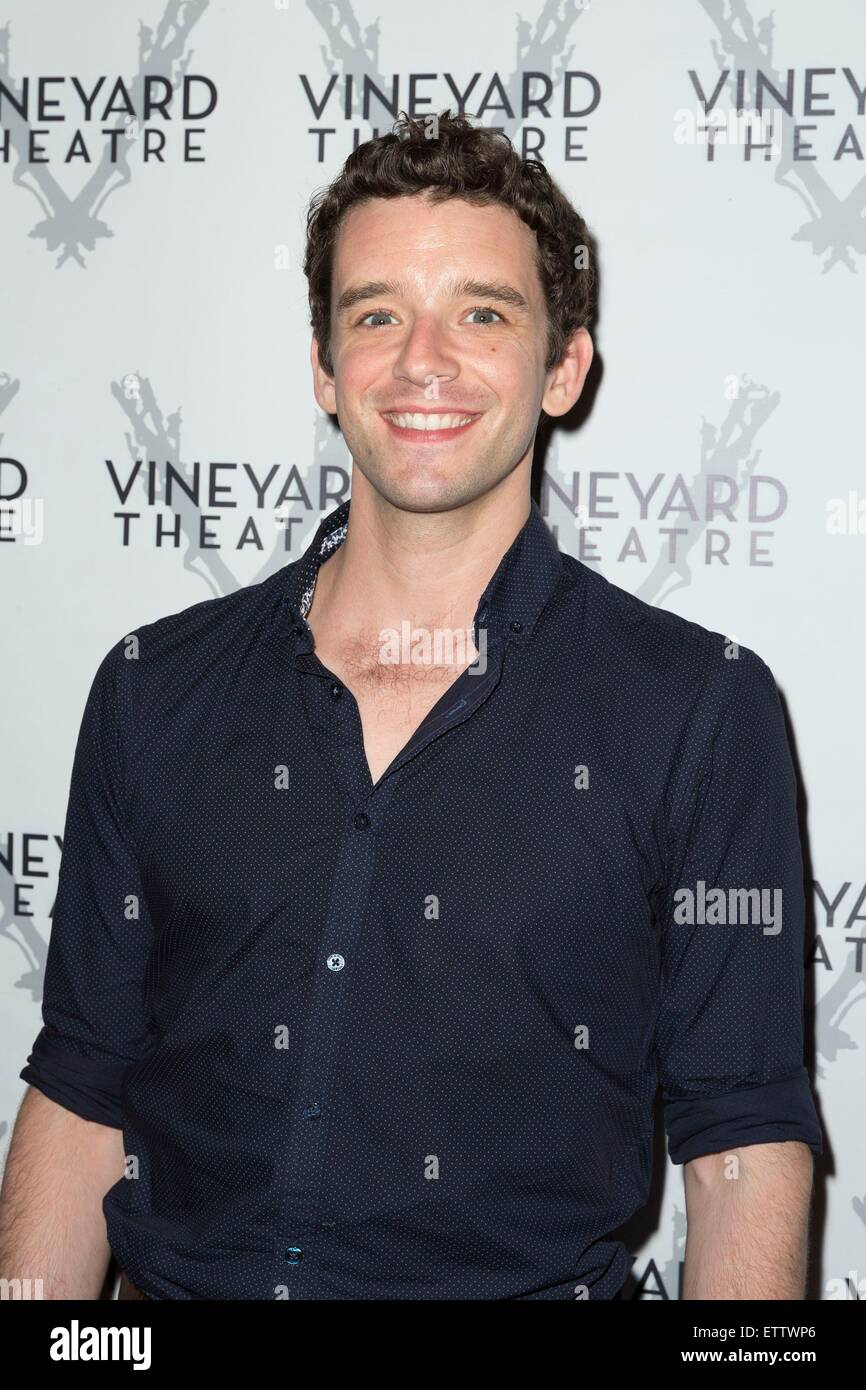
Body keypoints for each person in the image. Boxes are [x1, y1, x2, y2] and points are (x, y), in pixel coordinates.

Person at [0, 111, 822, 1300]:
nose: (421, 359)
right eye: (376, 313)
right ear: (326, 370)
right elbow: (82, 1085)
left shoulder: (695, 712)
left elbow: (742, 1138)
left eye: (481, 314)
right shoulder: (153, 691)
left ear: (563, 367)